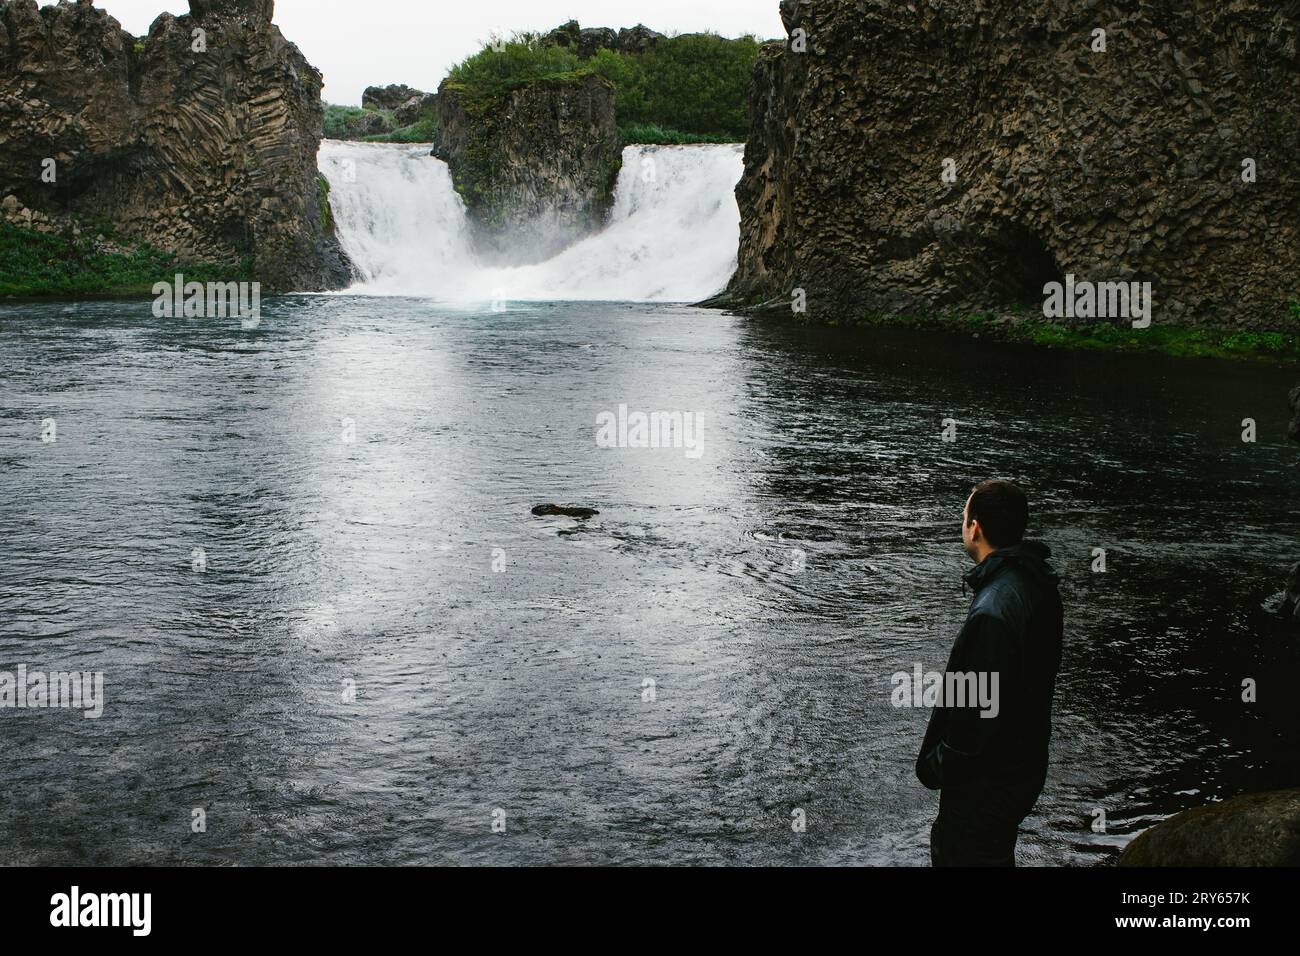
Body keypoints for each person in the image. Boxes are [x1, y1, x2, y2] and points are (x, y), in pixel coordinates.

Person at [916, 479, 1063, 866]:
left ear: (975, 528)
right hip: (1019, 769)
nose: (963, 524)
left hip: (985, 784)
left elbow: (975, 713)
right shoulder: (1035, 582)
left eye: (964, 516)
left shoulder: (994, 609)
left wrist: (937, 765)